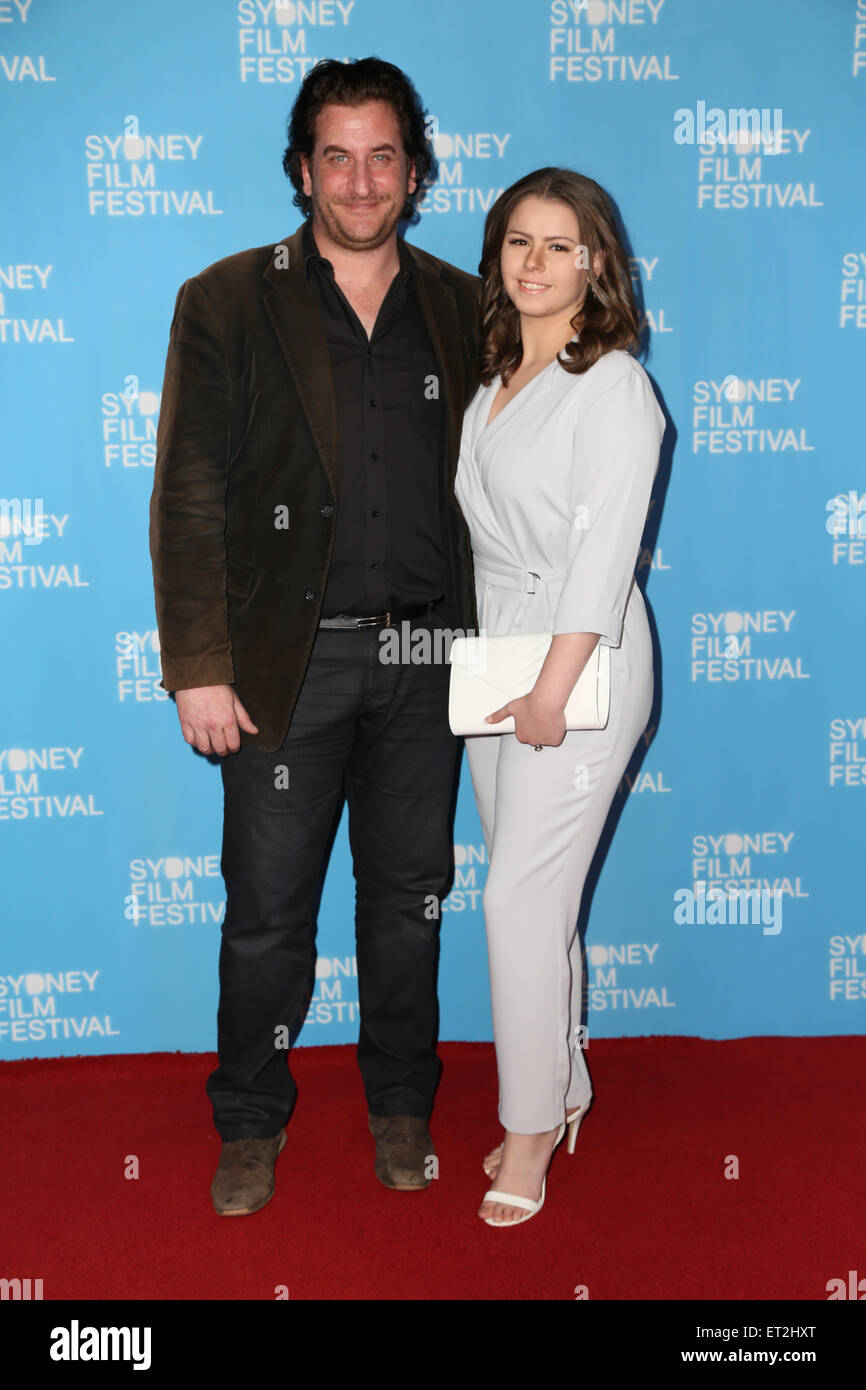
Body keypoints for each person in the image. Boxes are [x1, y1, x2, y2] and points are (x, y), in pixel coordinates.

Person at [149, 58, 480, 1216]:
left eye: (382, 154)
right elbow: (188, 491)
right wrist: (197, 665)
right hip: (289, 668)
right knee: (268, 915)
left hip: (429, 661)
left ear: (414, 169)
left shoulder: (461, 302)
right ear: (301, 168)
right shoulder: (228, 298)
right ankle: (248, 1117)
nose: (358, 179)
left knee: (407, 903)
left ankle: (401, 1104)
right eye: (334, 155)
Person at [453, 167, 665, 1227]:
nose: (534, 264)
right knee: (531, 900)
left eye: (558, 245)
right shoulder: (495, 374)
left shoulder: (614, 384)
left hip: (579, 666)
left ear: (596, 264)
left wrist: (551, 687)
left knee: (515, 902)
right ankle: (564, 1087)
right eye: (517, 243)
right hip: (497, 662)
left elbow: (599, 558)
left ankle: (529, 1130)